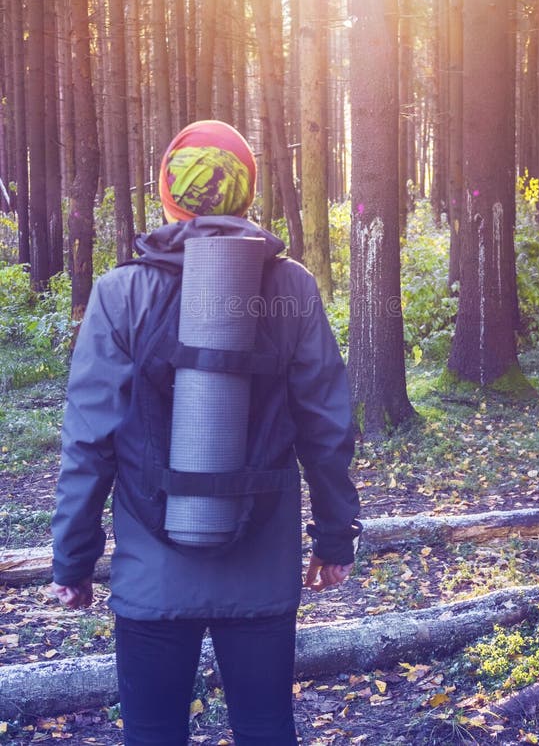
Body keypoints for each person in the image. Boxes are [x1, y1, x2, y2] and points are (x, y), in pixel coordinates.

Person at [51, 120, 362, 746]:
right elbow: (326, 428)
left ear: (167, 194)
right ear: (246, 197)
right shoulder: (291, 287)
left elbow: (89, 439)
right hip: (262, 567)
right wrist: (333, 538)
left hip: (150, 573)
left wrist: (73, 559)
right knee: (267, 728)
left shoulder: (120, 294)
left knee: (153, 733)